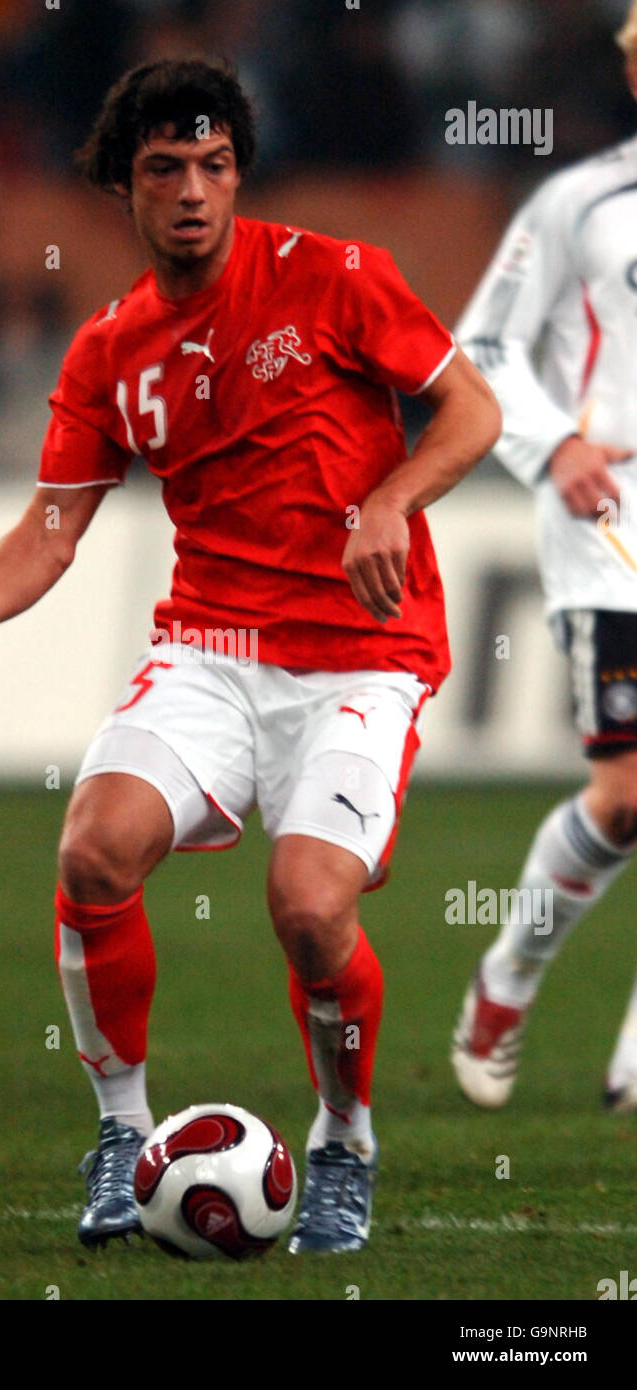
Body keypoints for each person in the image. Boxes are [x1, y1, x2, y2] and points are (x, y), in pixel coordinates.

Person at [0, 58, 500, 1252]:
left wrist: (388, 500)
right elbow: (55, 526)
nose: (191, 189)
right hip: (210, 652)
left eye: (212, 165)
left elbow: (471, 412)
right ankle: (122, 1132)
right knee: (93, 848)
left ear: (236, 177)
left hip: (361, 657)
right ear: (124, 186)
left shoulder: (334, 277)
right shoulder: (112, 349)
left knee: (309, 910)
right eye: (164, 167)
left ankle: (342, 1141)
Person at [451, 4, 637, 1113]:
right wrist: (551, 442)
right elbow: (477, 345)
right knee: (620, 799)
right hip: (609, 513)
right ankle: (504, 976)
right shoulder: (579, 203)